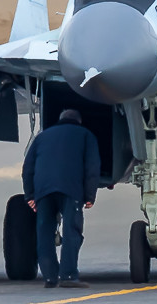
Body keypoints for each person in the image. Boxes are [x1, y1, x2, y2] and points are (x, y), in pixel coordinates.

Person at [22, 108, 101, 289]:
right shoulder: (85, 135)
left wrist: (30, 195)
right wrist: (90, 195)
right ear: (79, 121)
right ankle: (68, 275)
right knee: (71, 232)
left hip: (43, 191)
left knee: (44, 233)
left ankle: (50, 277)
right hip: (70, 189)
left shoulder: (42, 137)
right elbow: (92, 168)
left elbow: (28, 168)